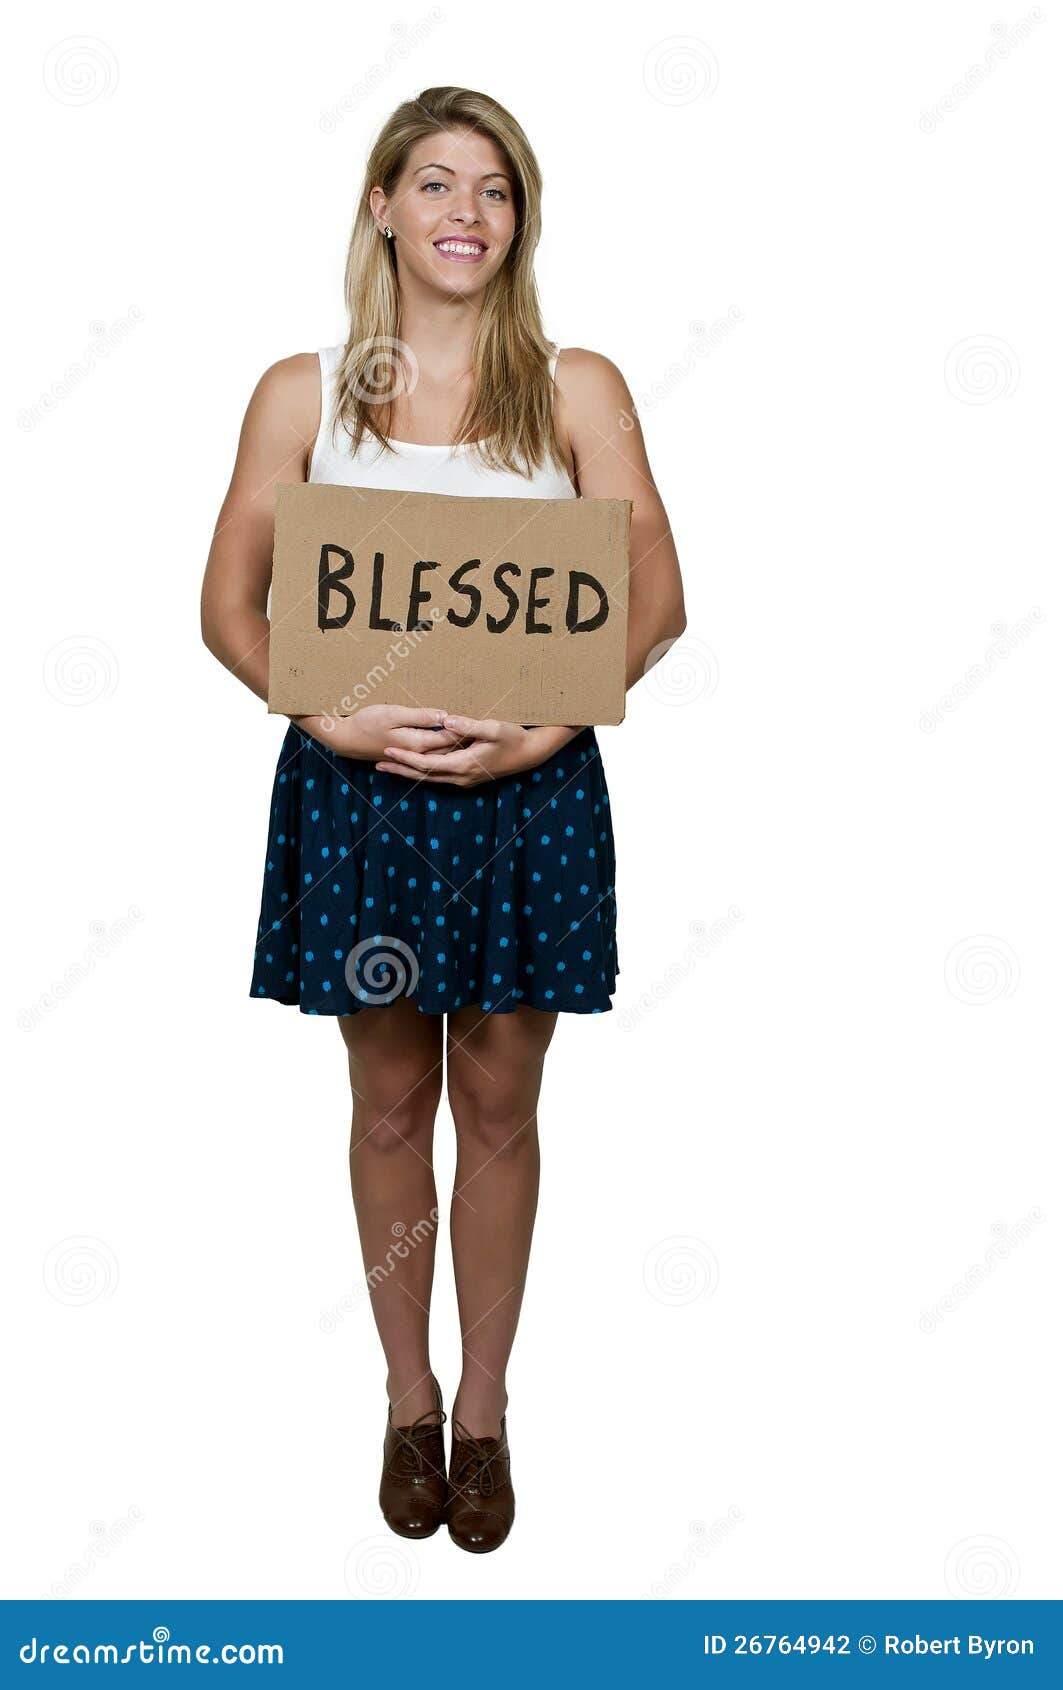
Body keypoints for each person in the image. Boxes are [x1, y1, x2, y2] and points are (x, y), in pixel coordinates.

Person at [200, 85, 686, 1554]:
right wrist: (326, 708)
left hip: (527, 797)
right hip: (360, 796)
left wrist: (547, 721)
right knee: (393, 1099)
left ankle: (484, 1409)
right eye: (436, 183)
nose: (466, 212)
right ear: (383, 207)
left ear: (519, 221)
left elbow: (656, 597)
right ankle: (405, 1396)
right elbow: (229, 607)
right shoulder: (307, 392)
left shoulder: (577, 387)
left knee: (500, 1102)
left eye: (496, 189)